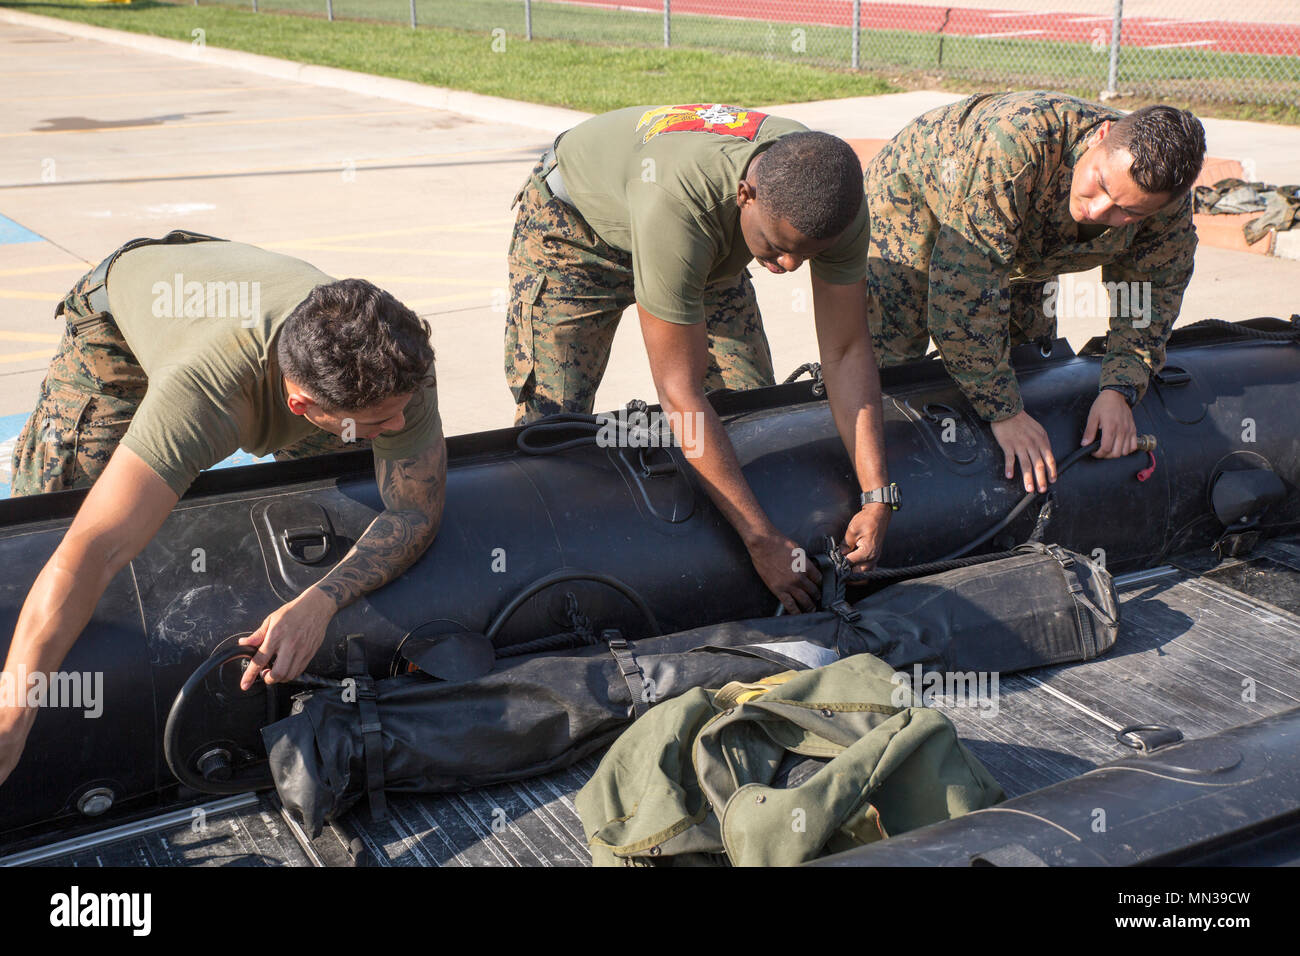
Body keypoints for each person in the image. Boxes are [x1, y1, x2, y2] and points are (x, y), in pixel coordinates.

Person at [0, 232, 446, 787]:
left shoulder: (394, 367)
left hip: (249, 301)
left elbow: (414, 513)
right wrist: (15, 713)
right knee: (46, 516)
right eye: (382, 421)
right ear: (301, 406)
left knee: (357, 457)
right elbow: (92, 548)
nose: (401, 427)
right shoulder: (203, 391)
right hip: (121, 321)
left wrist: (319, 602)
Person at [507, 104, 894, 613]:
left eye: (807, 256)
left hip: (710, 243)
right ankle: (547, 589)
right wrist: (760, 540)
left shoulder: (826, 198)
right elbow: (679, 393)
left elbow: (845, 351)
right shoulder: (679, 204)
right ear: (745, 195)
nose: (787, 267)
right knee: (552, 431)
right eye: (778, 249)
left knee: (753, 409)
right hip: (577, 236)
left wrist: (878, 494)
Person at [864, 92, 1205, 493]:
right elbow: (964, 293)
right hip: (916, 202)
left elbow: (1149, 297)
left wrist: (1120, 388)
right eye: (1100, 184)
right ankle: (881, 487)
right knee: (893, 364)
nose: (1098, 211)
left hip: (1026, 242)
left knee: (1030, 361)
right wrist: (1002, 410)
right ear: (1102, 136)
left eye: (1128, 212)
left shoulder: (1166, 207)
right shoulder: (1017, 144)